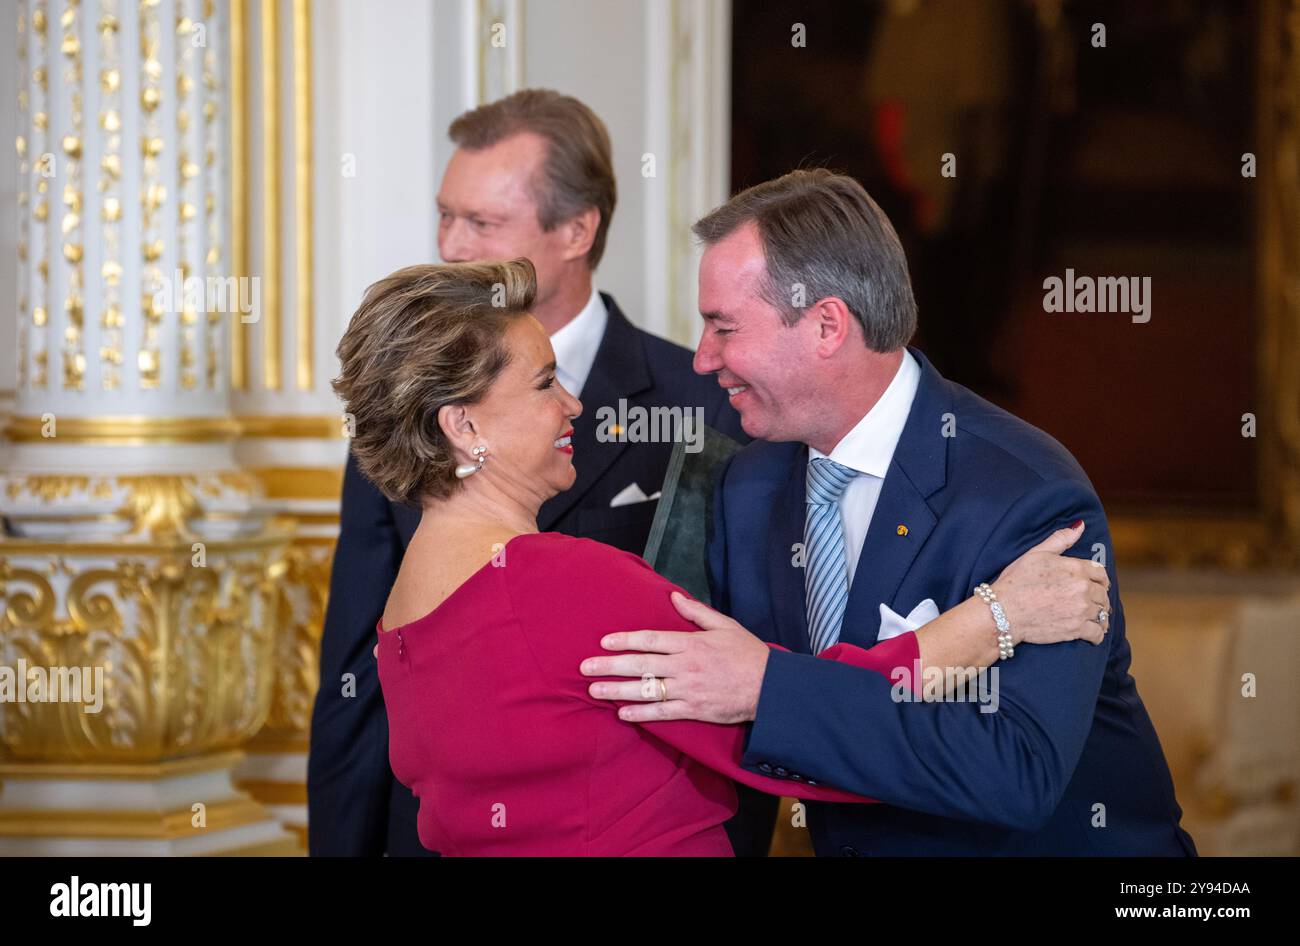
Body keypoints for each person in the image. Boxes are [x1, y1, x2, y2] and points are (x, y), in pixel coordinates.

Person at [336, 257, 1109, 856]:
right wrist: (996, 618)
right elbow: (792, 723)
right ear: (464, 426)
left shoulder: (403, 614)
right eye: (545, 384)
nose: (573, 404)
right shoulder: (558, 583)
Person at [580, 169, 1196, 856]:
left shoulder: (1025, 493)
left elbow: (1017, 773)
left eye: (723, 328)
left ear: (826, 325)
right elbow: (734, 742)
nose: (703, 359)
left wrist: (768, 687)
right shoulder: (747, 486)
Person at [306, 90, 745, 856]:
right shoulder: (410, 397)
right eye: (446, 216)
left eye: (482, 222)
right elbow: (355, 670)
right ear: (458, 426)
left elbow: (745, 672)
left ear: (577, 230)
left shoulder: (707, 401)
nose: (453, 244)